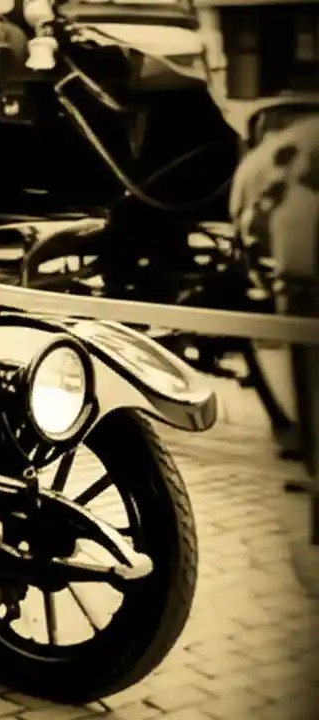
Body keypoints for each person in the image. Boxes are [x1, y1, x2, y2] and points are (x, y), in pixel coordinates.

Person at [192, 0, 319, 493]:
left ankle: (299, 444)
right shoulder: (283, 153)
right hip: (294, 271)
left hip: (293, 273)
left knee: (299, 362)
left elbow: (250, 214)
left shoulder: (273, 155)